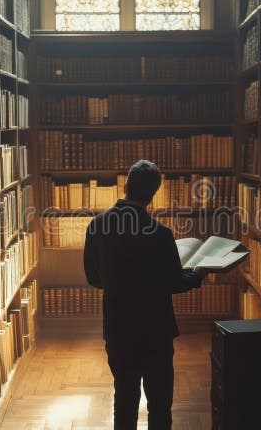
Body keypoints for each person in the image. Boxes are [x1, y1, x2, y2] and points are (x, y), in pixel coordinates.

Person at [83, 159, 204, 430]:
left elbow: (93, 277)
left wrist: (120, 284)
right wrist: (198, 275)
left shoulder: (97, 225)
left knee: (124, 400)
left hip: (118, 328)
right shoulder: (161, 234)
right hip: (155, 332)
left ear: (126, 186)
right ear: (153, 194)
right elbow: (174, 282)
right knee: (159, 405)